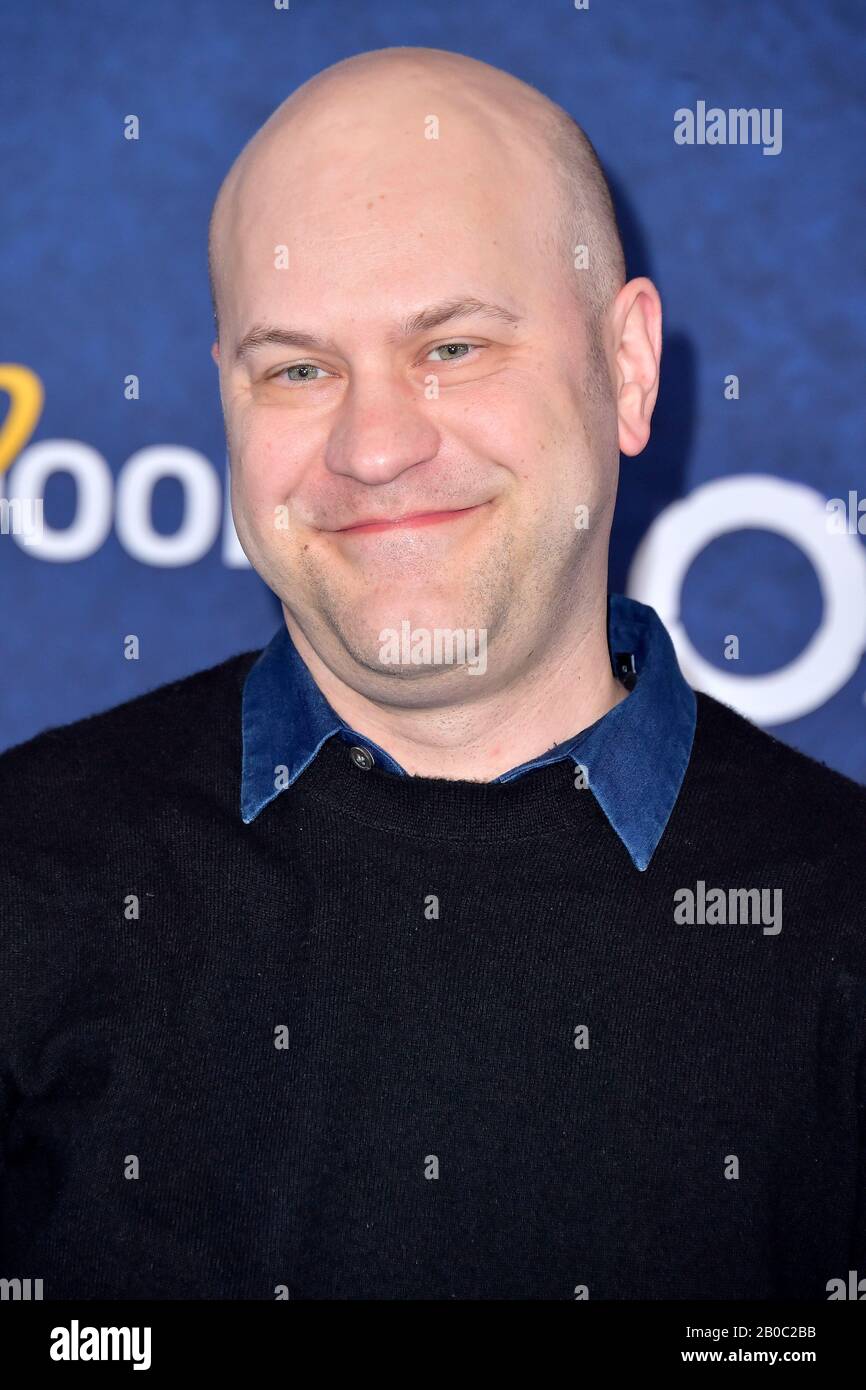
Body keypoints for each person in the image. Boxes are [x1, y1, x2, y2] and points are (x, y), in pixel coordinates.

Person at [1, 45, 864, 1302]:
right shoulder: (24, 871)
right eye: (297, 369)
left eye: (451, 348)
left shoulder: (842, 926)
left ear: (625, 367)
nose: (374, 445)